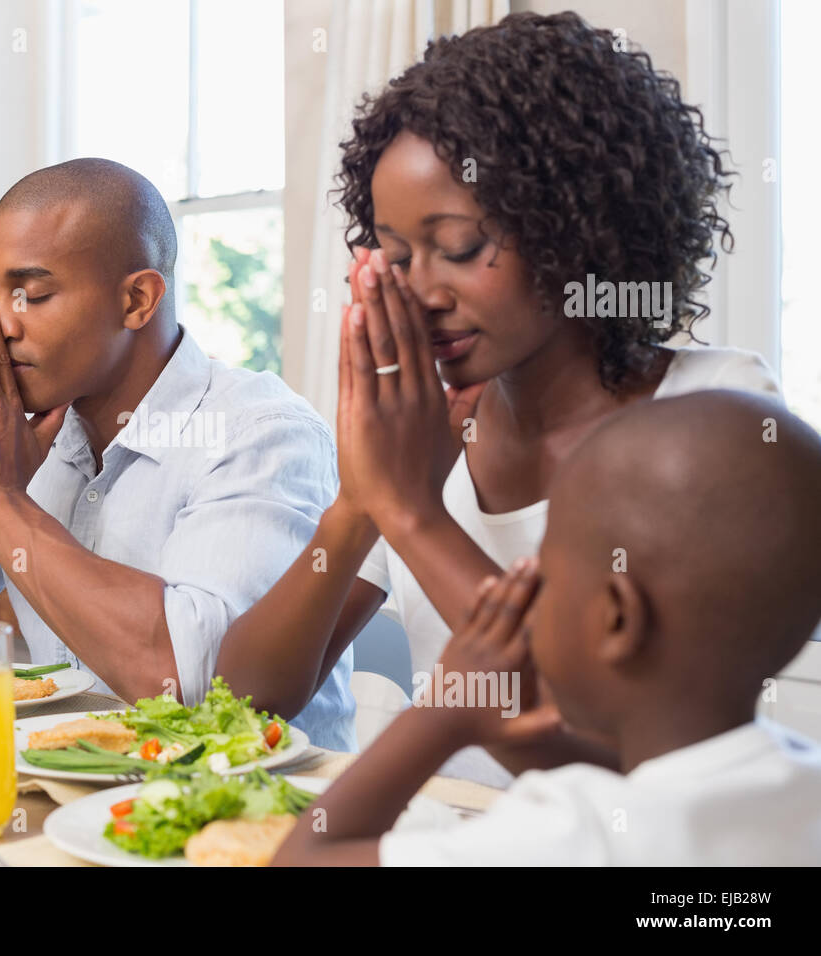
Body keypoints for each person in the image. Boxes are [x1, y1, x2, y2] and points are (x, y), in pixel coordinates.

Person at [215, 11, 777, 783]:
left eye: (459, 249)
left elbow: (621, 739)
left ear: (577, 228)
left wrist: (413, 513)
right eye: (397, 256)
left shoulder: (718, 413)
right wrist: (358, 508)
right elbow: (247, 698)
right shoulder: (427, 432)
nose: (422, 292)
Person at [0, 158, 355, 750]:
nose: (1, 323)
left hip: (247, 819)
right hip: (68, 799)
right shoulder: (36, 439)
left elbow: (189, 682)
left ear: (137, 299)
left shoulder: (262, 433)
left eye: (31, 294)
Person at [273, 391, 821, 865]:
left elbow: (302, 859)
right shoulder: (803, 783)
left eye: (544, 575)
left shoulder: (576, 832)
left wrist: (440, 716)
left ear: (617, 618)